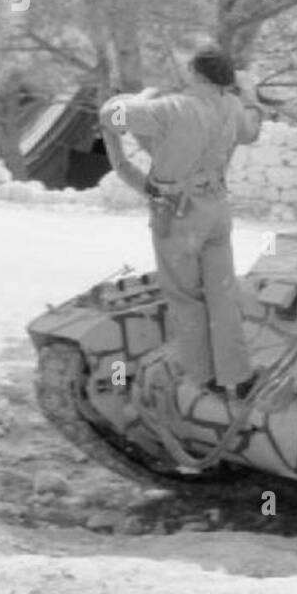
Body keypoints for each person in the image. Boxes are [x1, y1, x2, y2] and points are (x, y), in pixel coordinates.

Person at [99, 45, 263, 397]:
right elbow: (251, 133)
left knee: (185, 296)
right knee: (221, 294)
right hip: (217, 208)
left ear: (196, 73)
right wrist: (251, 99)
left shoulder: (172, 108)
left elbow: (111, 116)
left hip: (179, 213)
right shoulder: (232, 106)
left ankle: (203, 378)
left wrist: (135, 96)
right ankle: (238, 375)